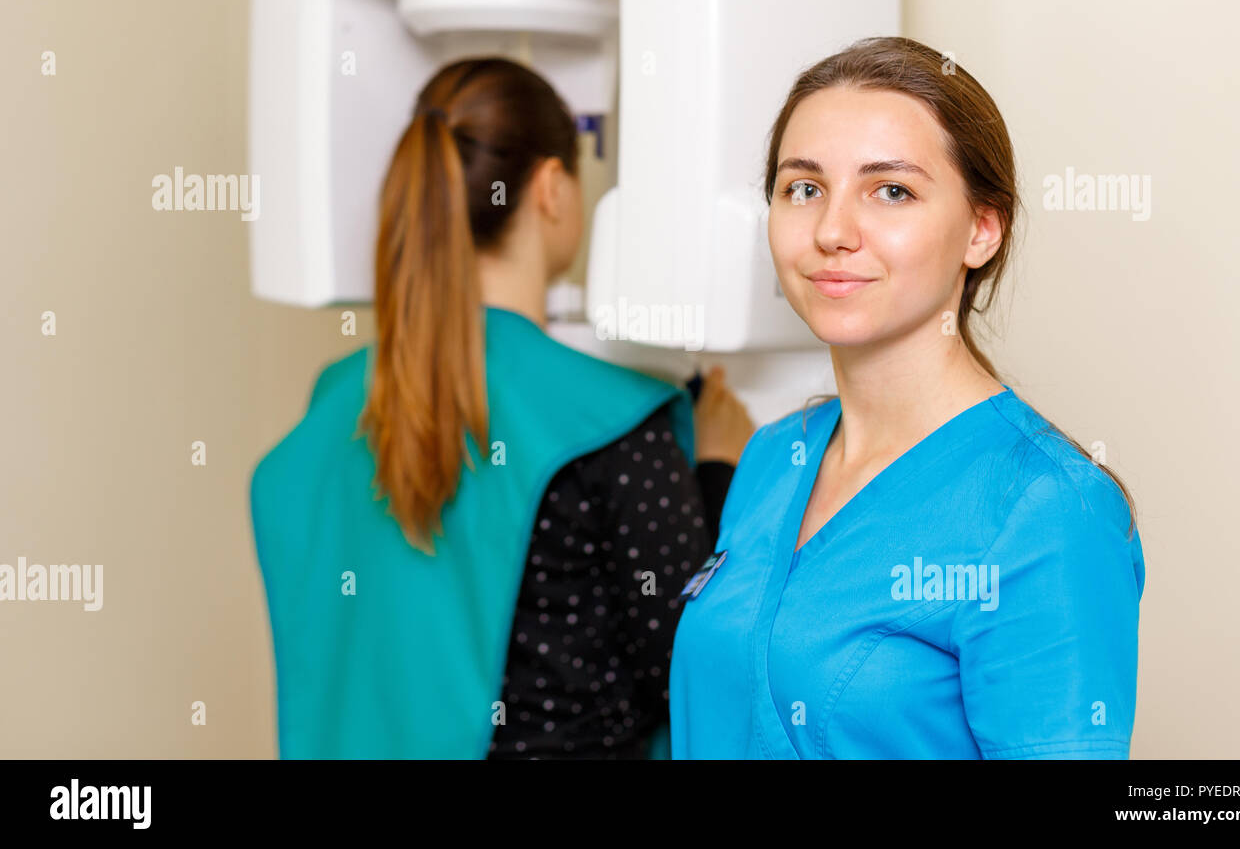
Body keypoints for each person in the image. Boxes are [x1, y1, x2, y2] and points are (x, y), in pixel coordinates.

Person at [249, 56, 754, 758]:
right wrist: (717, 471)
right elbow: (692, 673)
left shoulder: (337, 401)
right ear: (552, 188)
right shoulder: (617, 425)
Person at [669, 37, 1146, 759]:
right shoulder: (773, 458)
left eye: (891, 190)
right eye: (804, 188)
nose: (832, 231)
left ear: (981, 230)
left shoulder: (1048, 510)